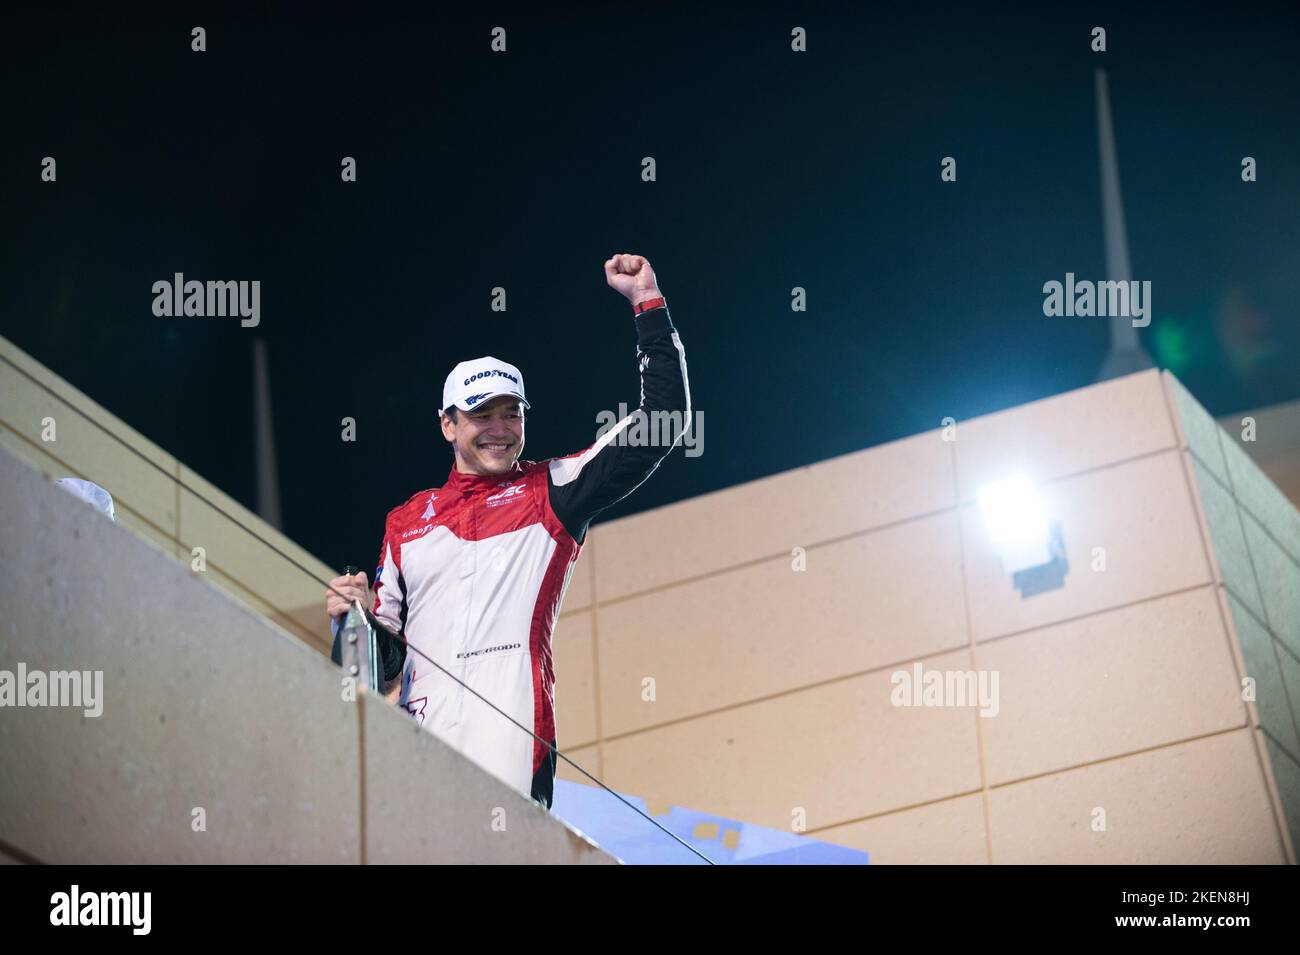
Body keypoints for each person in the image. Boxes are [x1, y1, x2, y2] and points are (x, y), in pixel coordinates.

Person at [323, 254, 690, 809]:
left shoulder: (556, 490)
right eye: (480, 415)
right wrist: (350, 621)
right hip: (417, 755)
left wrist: (648, 304)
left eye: (511, 415)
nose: (499, 430)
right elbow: (375, 673)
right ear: (448, 424)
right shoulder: (405, 524)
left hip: (513, 748)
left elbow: (663, 421)